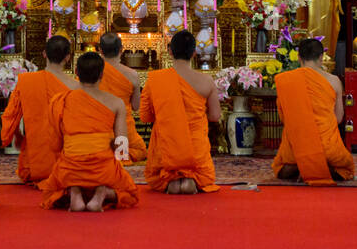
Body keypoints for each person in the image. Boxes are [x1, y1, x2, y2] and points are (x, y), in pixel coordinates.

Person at [39, 52, 140, 212]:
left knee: (52, 190)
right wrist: (115, 170)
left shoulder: (61, 100)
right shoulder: (116, 103)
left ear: (77, 73)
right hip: (103, 168)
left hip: (71, 166)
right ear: (102, 74)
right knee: (129, 192)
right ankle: (102, 191)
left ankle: (75, 191)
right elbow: (121, 145)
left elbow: (54, 143)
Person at [139, 30, 221, 194]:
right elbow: (214, 116)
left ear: (169, 51)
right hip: (195, 152)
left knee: (165, 167)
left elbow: (145, 117)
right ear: (194, 53)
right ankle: (189, 178)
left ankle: (172, 178)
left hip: (166, 150)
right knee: (198, 166)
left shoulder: (155, 79)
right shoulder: (206, 81)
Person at [272, 37, 355, 184]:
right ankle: (322, 167)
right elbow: (339, 118)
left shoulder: (286, 80)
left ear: (299, 57)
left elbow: (284, 118)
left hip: (296, 147)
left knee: (280, 168)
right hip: (329, 149)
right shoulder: (334, 80)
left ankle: (300, 165)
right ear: (321, 57)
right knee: (345, 167)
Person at [1, 35, 74, 184]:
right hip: (68, 162)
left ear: (44, 54)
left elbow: (11, 115)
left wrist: (16, 137)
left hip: (33, 164)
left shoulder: (27, 81)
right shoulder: (76, 86)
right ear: (68, 57)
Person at [96, 31, 147, 162]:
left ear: (100, 50)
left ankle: (105, 155)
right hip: (124, 129)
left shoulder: (92, 72)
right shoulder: (132, 74)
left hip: (98, 128)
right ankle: (119, 156)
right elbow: (136, 107)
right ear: (121, 49)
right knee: (139, 151)